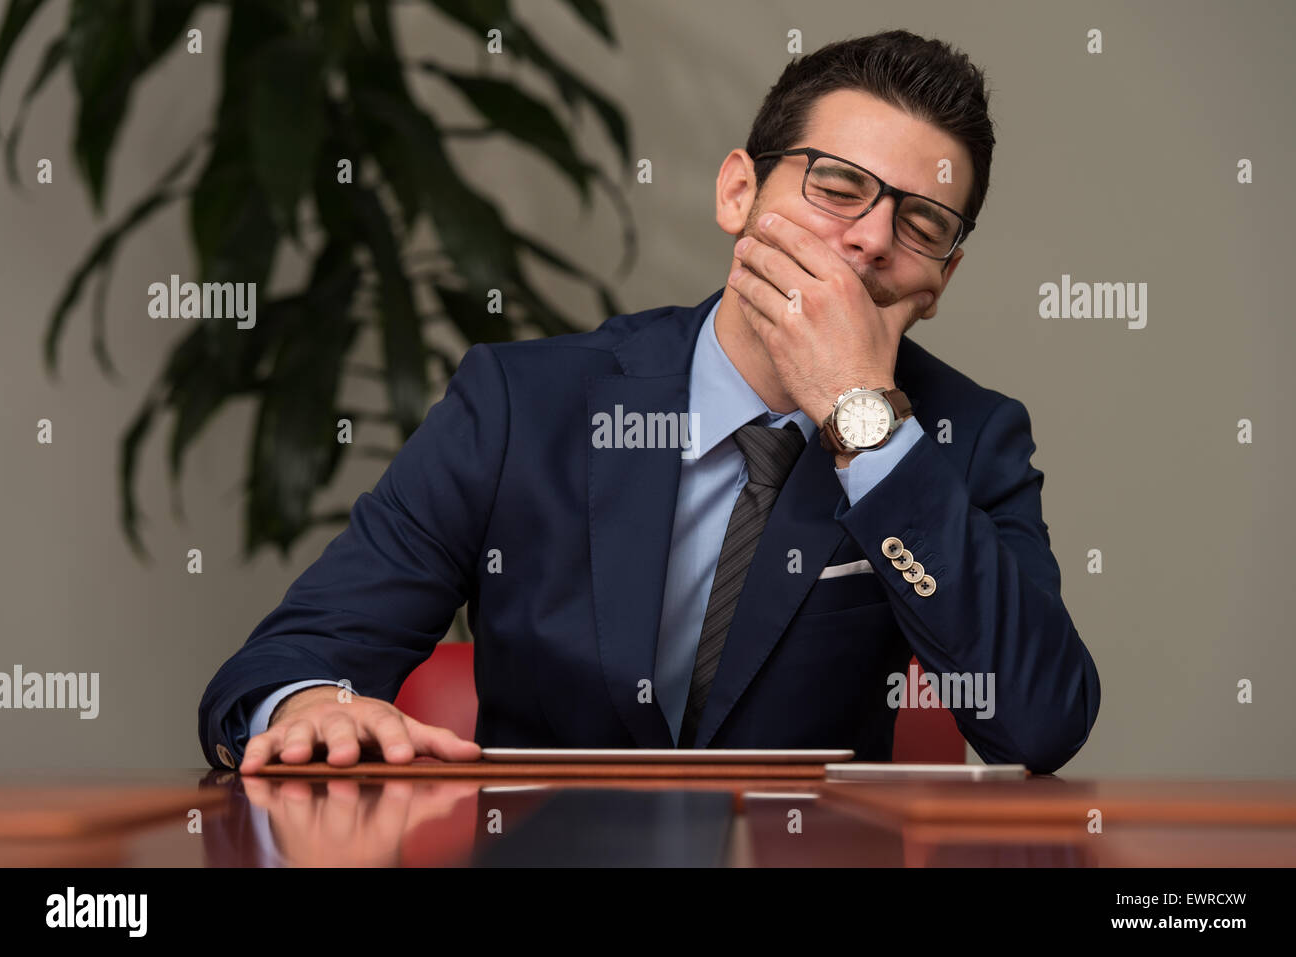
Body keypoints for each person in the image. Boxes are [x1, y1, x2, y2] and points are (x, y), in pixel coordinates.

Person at [200, 29, 1100, 776]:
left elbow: (1040, 719)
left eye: (922, 225)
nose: (868, 240)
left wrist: (863, 416)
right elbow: (287, 659)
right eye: (836, 186)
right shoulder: (522, 403)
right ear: (738, 192)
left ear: (941, 279)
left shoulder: (965, 439)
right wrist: (314, 703)